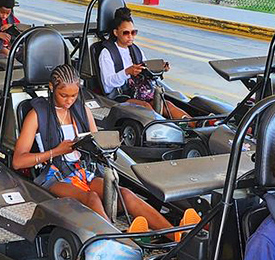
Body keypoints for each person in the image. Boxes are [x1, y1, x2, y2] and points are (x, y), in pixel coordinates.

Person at [13, 63, 197, 233]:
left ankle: (175, 234)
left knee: (125, 194)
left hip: (85, 171)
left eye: (74, 95)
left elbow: (97, 140)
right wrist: (56, 151)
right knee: (91, 198)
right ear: (52, 88)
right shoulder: (37, 114)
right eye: (64, 95)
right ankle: (116, 239)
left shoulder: (81, 110)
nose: (69, 101)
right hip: (56, 176)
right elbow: (18, 161)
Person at [97, 8, 187, 119]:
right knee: (145, 107)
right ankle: (165, 128)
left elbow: (146, 69)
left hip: (139, 92)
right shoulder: (107, 53)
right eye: (126, 33)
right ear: (116, 32)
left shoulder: (136, 50)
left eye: (133, 32)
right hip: (119, 95)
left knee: (166, 104)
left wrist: (160, 68)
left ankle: (195, 124)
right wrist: (127, 72)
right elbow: (107, 84)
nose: (131, 36)